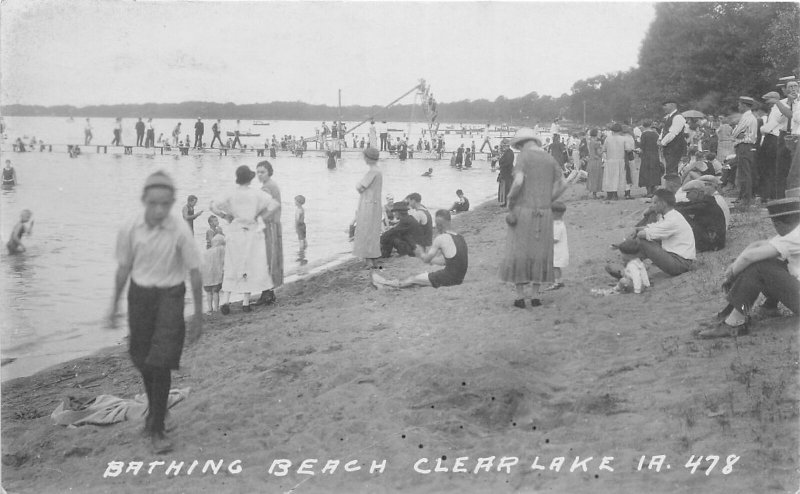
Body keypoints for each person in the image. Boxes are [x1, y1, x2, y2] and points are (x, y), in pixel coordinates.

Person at [107, 171, 203, 454]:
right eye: (153, 203)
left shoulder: (180, 230)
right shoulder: (130, 228)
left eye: (165, 204)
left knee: (161, 361)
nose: (159, 210)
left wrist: (199, 316)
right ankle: (158, 408)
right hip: (141, 295)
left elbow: (195, 273)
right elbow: (123, 268)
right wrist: (113, 306)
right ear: (144, 201)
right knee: (141, 358)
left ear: (173, 202)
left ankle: (156, 427)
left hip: (171, 296)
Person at [697, 197, 800, 338]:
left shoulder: (795, 236)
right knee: (770, 261)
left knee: (760, 267)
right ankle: (766, 307)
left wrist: (731, 274)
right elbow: (757, 245)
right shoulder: (795, 232)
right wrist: (736, 264)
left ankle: (734, 323)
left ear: (778, 223)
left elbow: (749, 257)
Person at [499, 128, 567, 308]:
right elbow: (563, 183)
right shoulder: (549, 158)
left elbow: (519, 181)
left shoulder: (523, 157)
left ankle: (521, 297)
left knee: (519, 251)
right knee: (540, 252)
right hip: (544, 213)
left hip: (524, 210)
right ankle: (536, 296)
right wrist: (549, 199)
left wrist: (510, 199)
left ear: (521, 144)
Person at [209, 165, 279, 314]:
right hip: (251, 231)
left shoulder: (231, 192)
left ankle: (226, 301)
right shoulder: (256, 193)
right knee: (248, 265)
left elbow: (212, 206)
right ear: (250, 178)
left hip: (235, 231)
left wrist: (224, 216)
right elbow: (273, 205)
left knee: (232, 265)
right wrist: (259, 216)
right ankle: (245, 303)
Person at [371, 209, 468, 288]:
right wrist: (431, 261)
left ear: (438, 225)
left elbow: (426, 259)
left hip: (450, 279)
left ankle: (385, 284)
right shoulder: (460, 237)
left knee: (413, 278)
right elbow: (445, 261)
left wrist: (420, 254)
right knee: (420, 279)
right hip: (459, 278)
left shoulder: (440, 239)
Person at [629, 188, 696, 276]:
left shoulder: (672, 220)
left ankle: (631, 272)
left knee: (642, 241)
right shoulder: (671, 215)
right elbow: (654, 227)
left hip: (680, 263)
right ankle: (632, 272)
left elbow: (645, 234)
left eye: (655, 203)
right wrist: (638, 229)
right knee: (641, 240)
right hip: (679, 259)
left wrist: (633, 238)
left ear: (663, 204)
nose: (652, 206)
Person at [255, 161, 284, 306]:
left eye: (262, 172)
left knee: (267, 258)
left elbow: (272, 206)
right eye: (258, 172)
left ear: (269, 172)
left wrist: (258, 219)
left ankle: (267, 293)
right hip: (274, 224)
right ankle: (269, 293)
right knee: (272, 258)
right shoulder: (272, 185)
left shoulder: (267, 187)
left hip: (269, 226)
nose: (259, 175)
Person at [674, 180, 726, 252]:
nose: (686, 196)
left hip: (712, 242)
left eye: (688, 193)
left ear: (696, 192)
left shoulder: (706, 204)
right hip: (713, 239)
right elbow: (685, 204)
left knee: (681, 215)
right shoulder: (706, 201)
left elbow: (686, 209)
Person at [353, 147, 383, 268]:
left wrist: (357, 184)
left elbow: (360, 187)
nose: (364, 159)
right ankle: (374, 258)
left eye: (365, 157)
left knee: (365, 231)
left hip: (368, 204)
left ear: (368, 158)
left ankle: (369, 261)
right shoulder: (378, 171)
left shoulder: (372, 172)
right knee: (374, 232)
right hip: (376, 204)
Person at [730, 96, 759, 207]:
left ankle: (746, 199)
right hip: (746, 146)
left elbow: (735, 133)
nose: (738, 107)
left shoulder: (747, 117)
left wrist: (737, 133)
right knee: (744, 172)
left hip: (745, 146)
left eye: (739, 105)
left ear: (744, 105)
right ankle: (743, 196)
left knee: (744, 173)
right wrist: (737, 134)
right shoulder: (749, 117)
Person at [602, 123, 633, 200]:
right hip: (620, 160)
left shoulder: (607, 138)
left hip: (610, 160)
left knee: (610, 177)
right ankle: (616, 194)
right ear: (620, 131)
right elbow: (628, 149)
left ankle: (611, 194)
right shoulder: (623, 139)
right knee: (619, 177)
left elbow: (604, 149)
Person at [658, 98, 687, 176]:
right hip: (669, 148)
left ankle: (673, 187)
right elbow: (664, 130)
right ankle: (670, 186)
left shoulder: (678, 117)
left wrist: (662, 142)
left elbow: (673, 133)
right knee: (669, 169)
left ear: (672, 105)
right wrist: (660, 139)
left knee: (672, 171)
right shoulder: (668, 117)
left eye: (665, 105)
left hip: (675, 148)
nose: (663, 108)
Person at [202, 228, 225, 314]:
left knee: (208, 292)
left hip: (206, 275)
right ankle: (216, 308)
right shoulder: (221, 249)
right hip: (216, 275)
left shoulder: (207, 252)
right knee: (215, 292)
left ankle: (209, 308)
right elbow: (223, 262)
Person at [546, 201, 568, 290]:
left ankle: (556, 283)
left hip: (557, 250)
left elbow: (555, 239)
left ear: (555, 213)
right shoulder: (558, 223)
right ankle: (560, 281)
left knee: (554, 267)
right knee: (557, 267)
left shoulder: (558, 225)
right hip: (559, 250)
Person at [638, 120, 662, 197]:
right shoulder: (655, 134)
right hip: (655, 155)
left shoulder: (644, 134)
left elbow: (642, 147)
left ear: (643, 126)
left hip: (646, 155)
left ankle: (648, 191)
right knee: (654, 172)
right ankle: (653, 189)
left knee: (646, 172)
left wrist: (638, 151)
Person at [584, 129, 603, 199]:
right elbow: (599, 153)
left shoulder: (590, 142)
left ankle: (592, 192)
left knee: (592, 177)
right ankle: (595, 193)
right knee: (597, 177)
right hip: (596, 161)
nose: (600, 134)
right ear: (596, 134)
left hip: (591, 161)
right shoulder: (597, 143)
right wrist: (603, 148)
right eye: (599, 133)